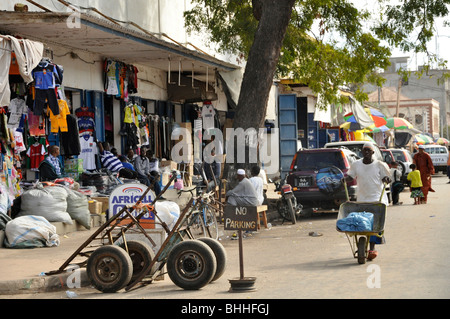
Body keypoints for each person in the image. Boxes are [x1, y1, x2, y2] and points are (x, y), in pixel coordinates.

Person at [343, 142, 391, 261]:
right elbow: (350, 176)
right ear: (362, 152)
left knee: (375, 224)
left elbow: (387, 177)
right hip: (363, 198)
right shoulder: (356, 164)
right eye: (365, 150)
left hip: (377, 199)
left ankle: (372, 248)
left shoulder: (379, 165)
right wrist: (344, 179)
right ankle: (365, 245)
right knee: (364, 223)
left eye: (369, 150)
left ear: (373, 152)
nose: (367, 152)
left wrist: (386, 179)